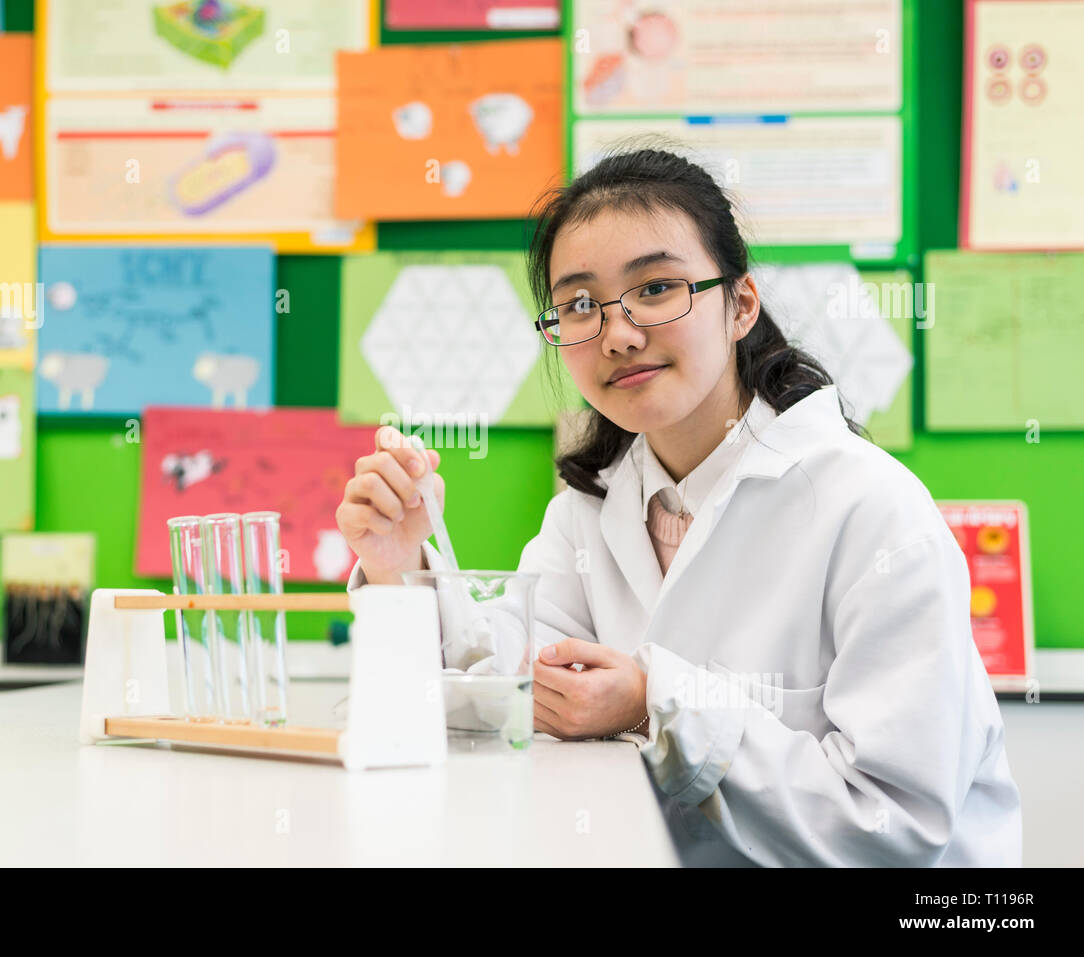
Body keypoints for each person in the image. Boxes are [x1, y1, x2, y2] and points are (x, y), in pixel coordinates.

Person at [335, 146, 1021, 866]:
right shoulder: (590, 510)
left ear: (740, 305)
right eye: (578, 304)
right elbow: (499, 688)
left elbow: (896, 820)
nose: (618, 334)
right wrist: (402, 566)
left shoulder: (870, 509)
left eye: (657, 288)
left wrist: (654, 704)